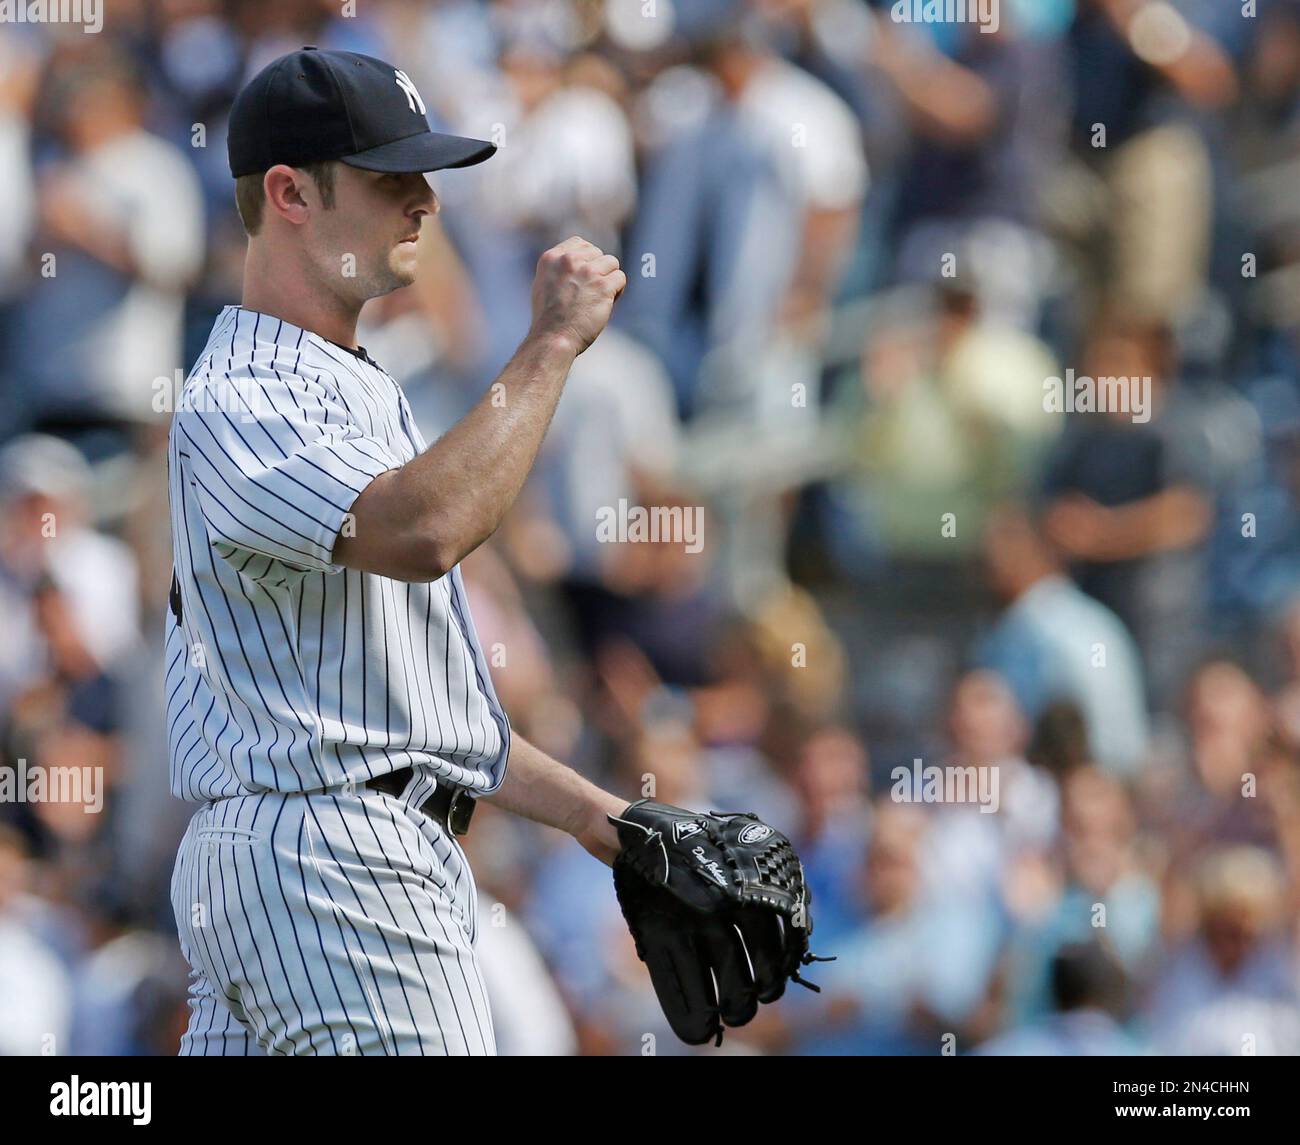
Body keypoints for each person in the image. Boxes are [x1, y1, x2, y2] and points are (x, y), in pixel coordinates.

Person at [164, 46, 634, 1056]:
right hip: (337, 866)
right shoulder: (245, 391)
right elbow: (424, 530)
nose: (424, 200)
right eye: (389, 178)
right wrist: (547, 345)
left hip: (299, 854)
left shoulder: (351, 386)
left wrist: (606, 820)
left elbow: (418, 722)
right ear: (289, 192)